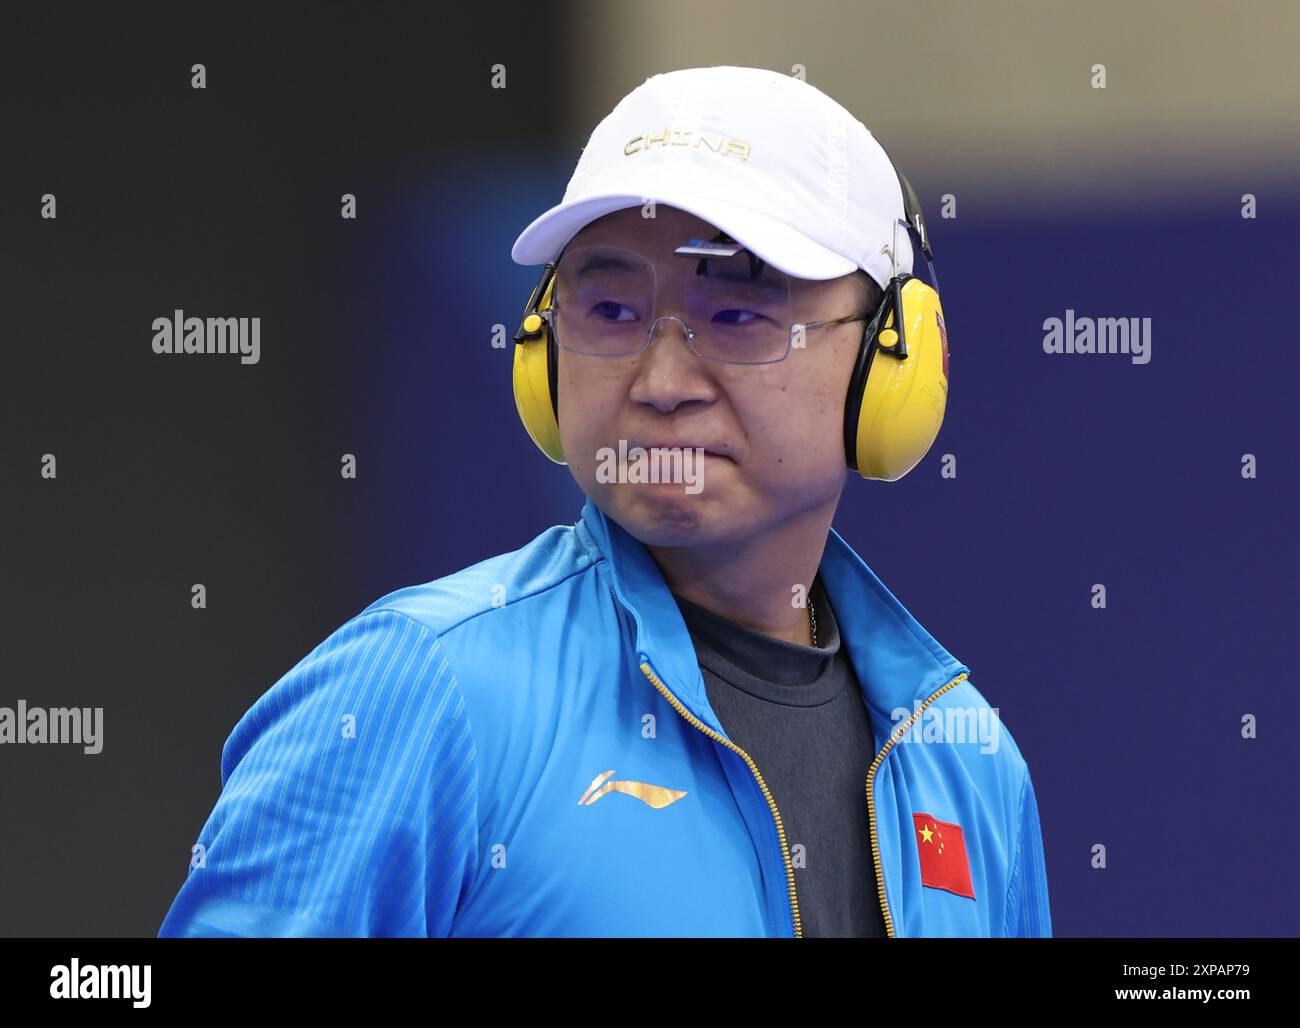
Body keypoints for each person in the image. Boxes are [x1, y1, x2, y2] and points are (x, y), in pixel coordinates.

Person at [158, 65, 1051, 938]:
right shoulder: (419, 690)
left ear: (892, 362)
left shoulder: (967, 762)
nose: (661, 382)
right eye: (611, 310)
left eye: (739, 315)